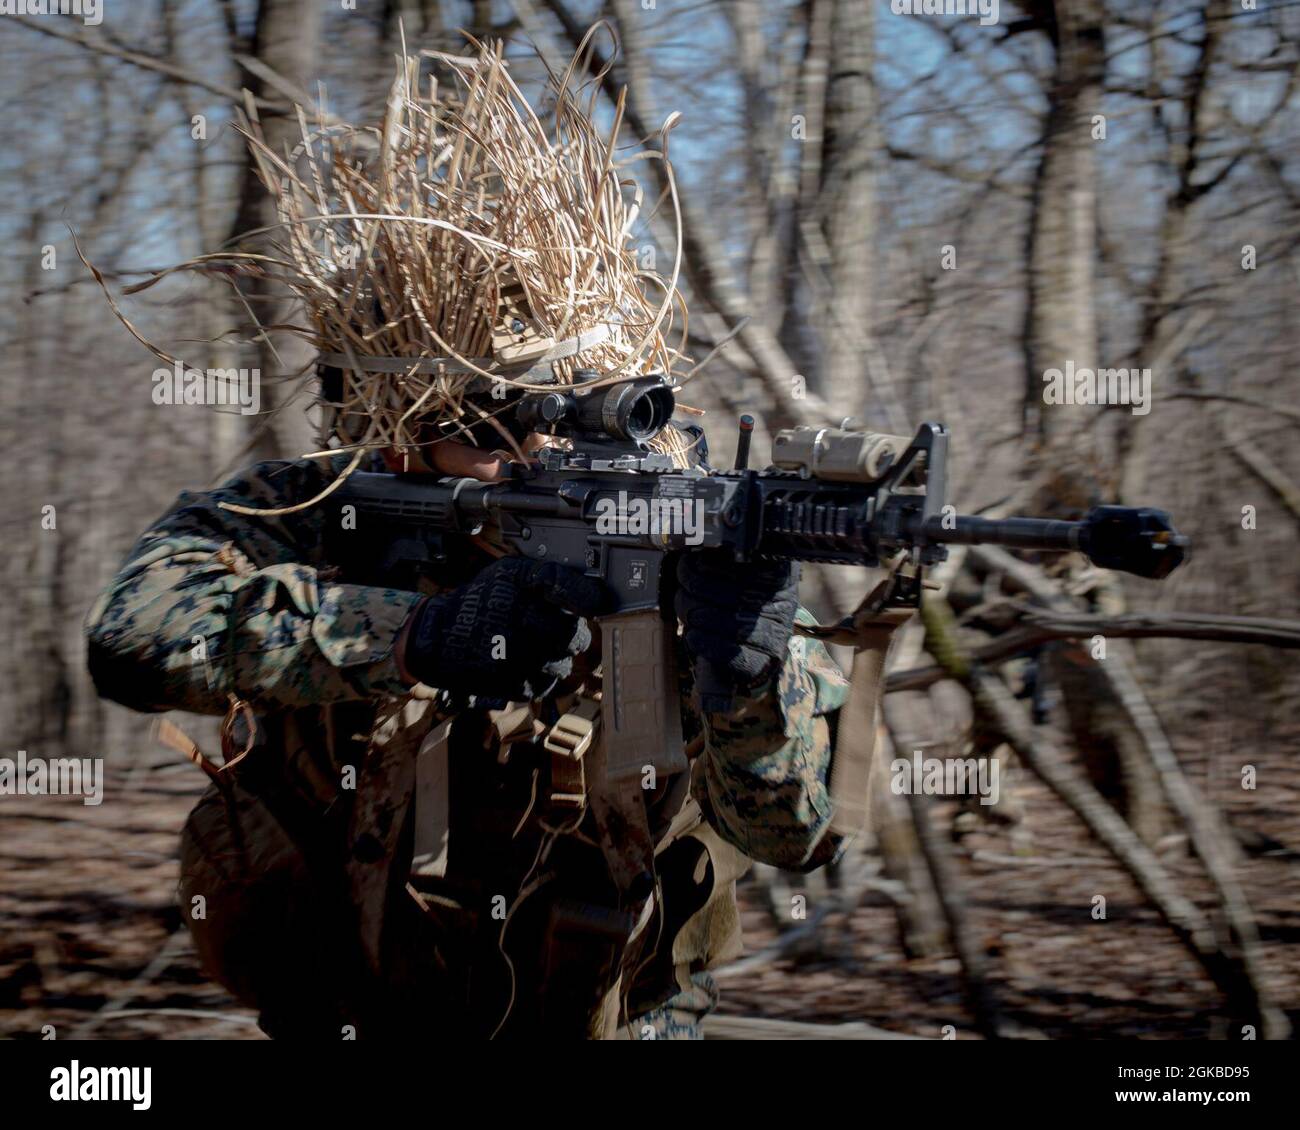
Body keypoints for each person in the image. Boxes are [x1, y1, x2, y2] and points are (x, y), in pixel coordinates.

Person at [85, 400, 863, 1040]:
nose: (537, 453)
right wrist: (413, 635)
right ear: (395, 428)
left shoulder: (690, 534)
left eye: (556, 423)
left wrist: (748, 684)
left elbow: (792, 837)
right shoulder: (320, 506)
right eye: (483, 429)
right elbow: (132, 636)